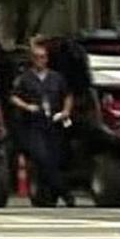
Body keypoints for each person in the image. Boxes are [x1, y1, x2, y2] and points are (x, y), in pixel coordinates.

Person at [10, 38, 76, 208]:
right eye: (37, 57)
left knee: (53, 160)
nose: (40, 60)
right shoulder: (25, 78)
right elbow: (13, 97)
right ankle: (65, 193)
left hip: (53, 122)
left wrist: (66, 111)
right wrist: (27, 106)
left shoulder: (56, 78)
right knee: (41, 157)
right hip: (33, 123)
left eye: (43, 57)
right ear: (32, 59)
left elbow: (67, 95)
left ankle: (48, 195)